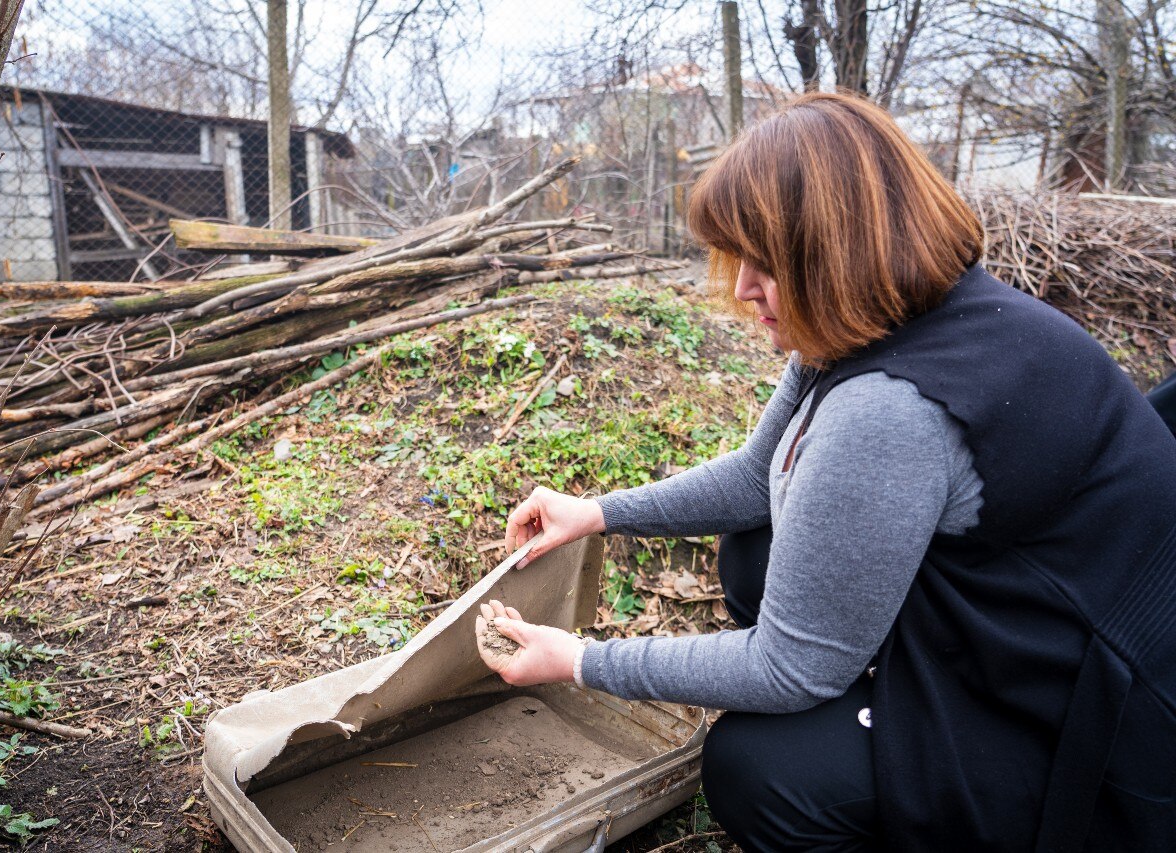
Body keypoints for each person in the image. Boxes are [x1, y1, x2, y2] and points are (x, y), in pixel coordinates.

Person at [474, 92, 1176, 852]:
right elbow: (756, 479)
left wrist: (579, 659)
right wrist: (598, 511)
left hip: (1100, 709)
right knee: (756, 547)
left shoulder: (889, 410)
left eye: (764, 261)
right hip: (1031, 610)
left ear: (831, 252)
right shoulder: (890, 318)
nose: (742, 287)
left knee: (762, 768)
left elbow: (789, 668)